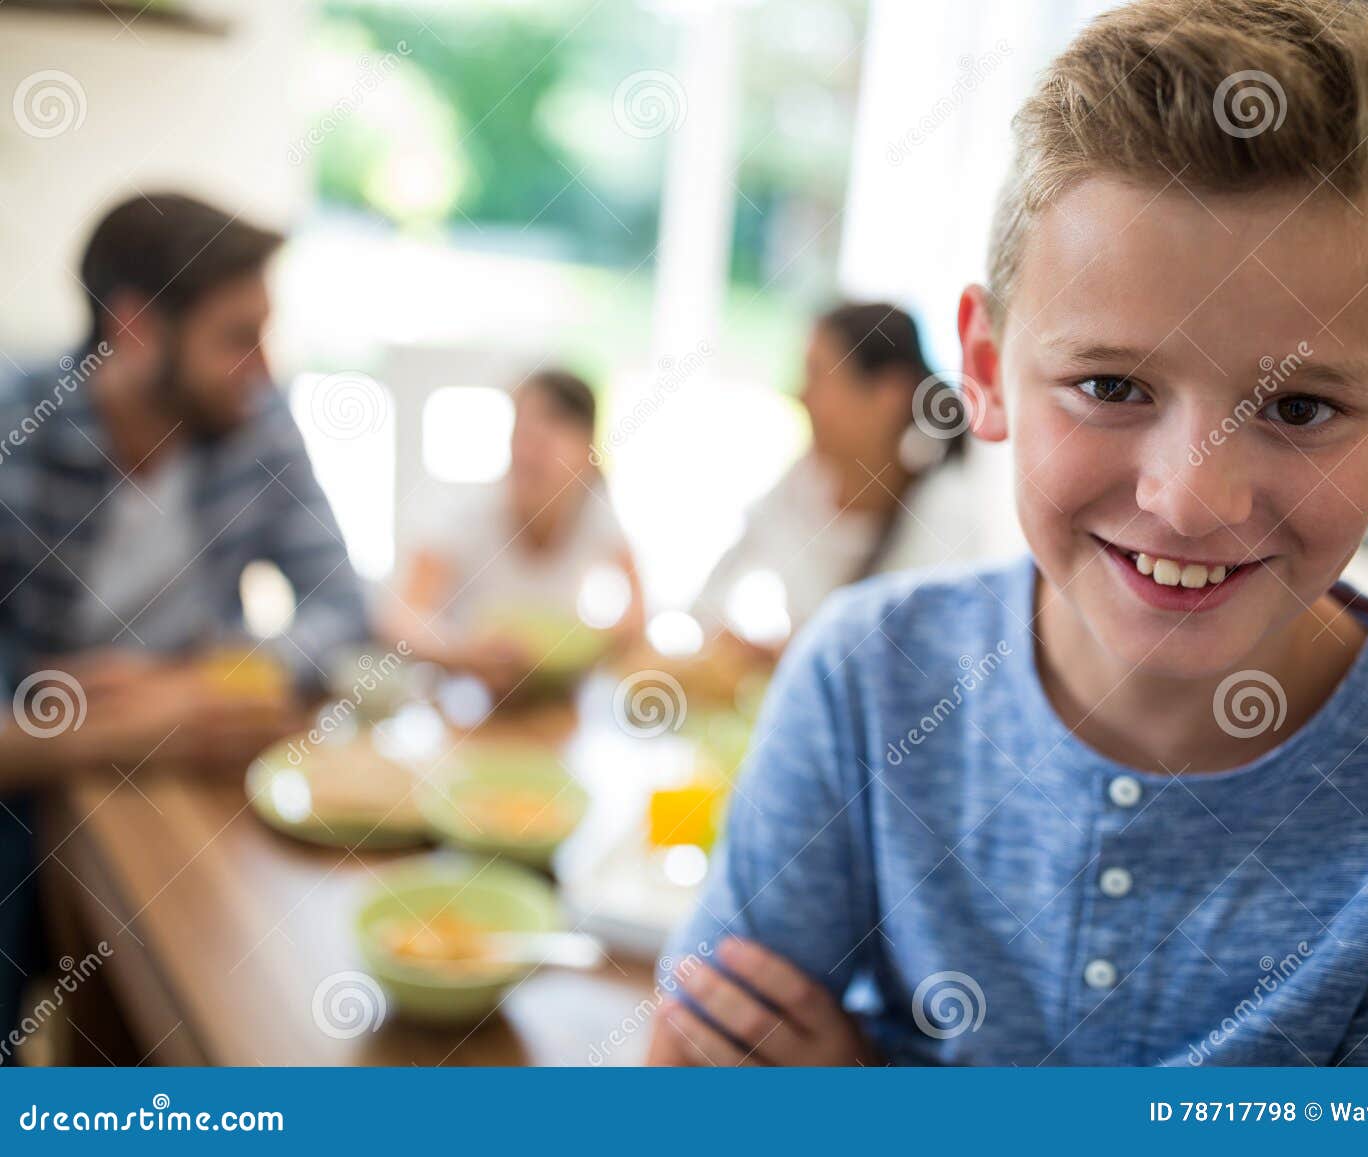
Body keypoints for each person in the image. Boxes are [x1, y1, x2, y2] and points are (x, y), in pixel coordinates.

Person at [651, 0, 1368, 1066]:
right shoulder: (864, 683)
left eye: (1299, 407)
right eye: (1110, 384)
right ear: (988, 374)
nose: (1191, 499)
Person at [0, 191, 363, 1049]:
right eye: (237, 338)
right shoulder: (19, 422)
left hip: (195, 760)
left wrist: (189, 685)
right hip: (32, 755)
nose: (264, 368)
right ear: (134, 330)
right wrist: (120, 727)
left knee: (235, 995)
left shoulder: (257, 427)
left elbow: (344, 607)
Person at [692, 303, 981, 642]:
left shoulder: (945, 513)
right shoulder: (803, 482)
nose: (800, 396)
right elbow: (706, 603)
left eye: (817, 375)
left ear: (889, 395)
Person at [385, 368, 644, 698]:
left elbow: (637, 614)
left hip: (553, 703)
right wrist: (461, 652)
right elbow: (401, 616)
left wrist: (581, 647)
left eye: (545, 438)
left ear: (586, 453)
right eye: (521, 433)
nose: (526, 452)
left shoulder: (595, 511)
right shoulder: (466, 516)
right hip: (466, 697)